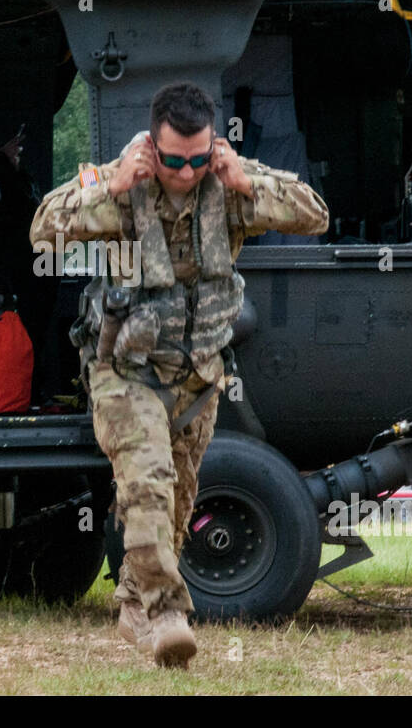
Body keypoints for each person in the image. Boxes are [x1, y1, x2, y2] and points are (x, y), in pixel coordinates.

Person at [30, 81, 329, 667]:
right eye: (173, 160)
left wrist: (248, 181)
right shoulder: (120, 182)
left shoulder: (231, 182)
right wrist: (111, 187)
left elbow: (314, 215)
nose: (186, 172)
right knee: (146, 481)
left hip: (198, 376)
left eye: (197, 159)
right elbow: (44, 227)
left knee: (174, 506)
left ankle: (134, 604)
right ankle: (167, 612)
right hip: (127, 370)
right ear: (151, 146)